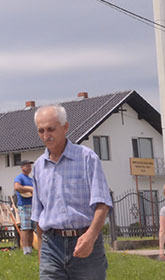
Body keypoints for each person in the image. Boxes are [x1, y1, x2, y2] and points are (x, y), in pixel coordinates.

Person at [31, 104, 112, 280]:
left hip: (85, 242)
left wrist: (91, 236)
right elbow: (38, 213)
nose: (46, 135)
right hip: (51, 245)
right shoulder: (38, 166)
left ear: (65, 127)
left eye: (51, 129)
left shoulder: (87, 158)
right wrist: (42, 255)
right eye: (41, 131)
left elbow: (103, 203)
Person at [13, 160, 35, 255]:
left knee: (31, 229)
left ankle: (30, 249)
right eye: (27, 166)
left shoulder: (31, 179)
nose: (29, 167)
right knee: (25, 228)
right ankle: (25, 250)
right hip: (24, 205)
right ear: (22, 167)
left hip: (33, 205)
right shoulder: (19, 177)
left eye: (30, 166)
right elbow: (17, 187)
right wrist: (30, 189)